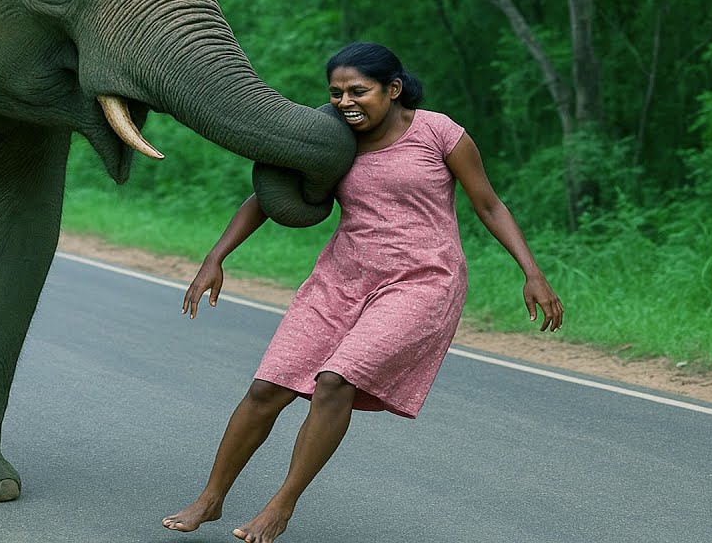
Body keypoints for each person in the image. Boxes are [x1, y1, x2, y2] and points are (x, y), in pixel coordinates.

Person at [161, 42, 564, 543]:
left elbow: (489, 205)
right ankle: (211, 498)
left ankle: (281, 506)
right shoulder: (331, 139)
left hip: (422, 282)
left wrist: (533, 272)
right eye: (336, 92)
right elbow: (266, 197)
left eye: (359, 91)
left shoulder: (439, 132)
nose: (346, 101)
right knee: (268, 388)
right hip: (340, 279)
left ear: (392, 90)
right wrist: (215, 257)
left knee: (334, 380)